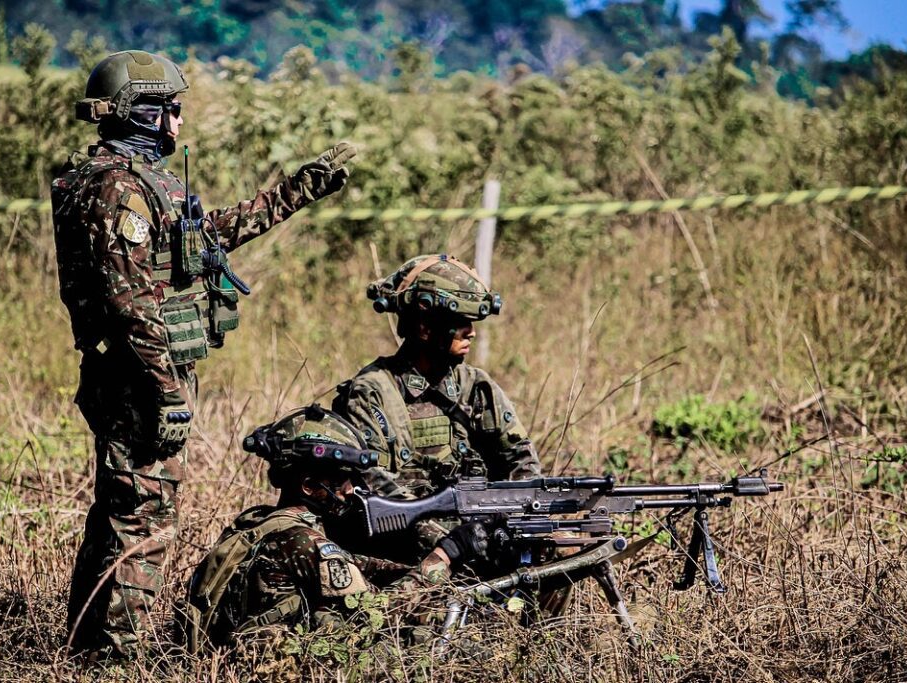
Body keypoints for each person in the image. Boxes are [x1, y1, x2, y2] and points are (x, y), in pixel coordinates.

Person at [51, 49, 355, 660]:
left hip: (139, 373)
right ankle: (115, 658)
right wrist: (166, 391)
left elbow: (204, 237)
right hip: (138, 378)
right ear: (142, 113)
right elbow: (129, 303)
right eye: (171, 108)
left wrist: (296, 192)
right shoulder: (116, 188)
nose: (179, 121)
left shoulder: (136, 179)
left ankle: (86, 648)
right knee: (144, 521)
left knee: (122, 510)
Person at [181, 405, 489, 651]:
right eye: (344, 479)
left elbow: (357, 565)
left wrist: (411, 569)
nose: (352, 488)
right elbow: (375, 614)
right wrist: (443, 557)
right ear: (308, 486)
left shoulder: (259, 521)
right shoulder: (305, 542)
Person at [333, 254, 541, 506]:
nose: (472, 333)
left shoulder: (475, 385)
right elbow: (373, 483)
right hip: (405, 527)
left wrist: (516, 514)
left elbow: (522, 461)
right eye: (461, 323)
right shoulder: (373, 390)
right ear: (424, 328)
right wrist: (437, 528)